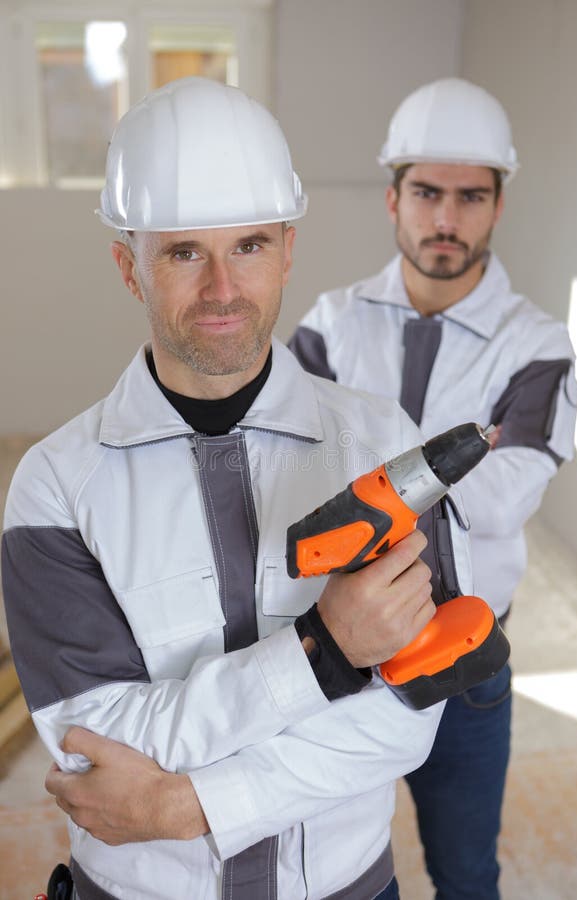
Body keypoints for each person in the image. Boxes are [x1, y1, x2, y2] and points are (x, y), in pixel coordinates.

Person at [1, 77, 475, 900]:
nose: (222, 289)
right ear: (129, 266)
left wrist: (190, 806)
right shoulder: (54, 487)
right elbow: (94, 744)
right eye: (185, 252)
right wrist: (323, 652)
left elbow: (407, 717)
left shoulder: (384, 446)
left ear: (288, 250)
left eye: (249, 245)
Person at [288, 77, 577, 900]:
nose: (445, 220)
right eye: (426, 193)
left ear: (497, 205)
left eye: (469, 197)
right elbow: (295, 485)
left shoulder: (538, 346)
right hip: (347, 651)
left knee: (464, 873)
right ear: (392, 198)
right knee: (335, 874)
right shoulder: (331, 324)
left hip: (468, 662)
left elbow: (501, 500)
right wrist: (461, 450)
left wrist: (367, 477)